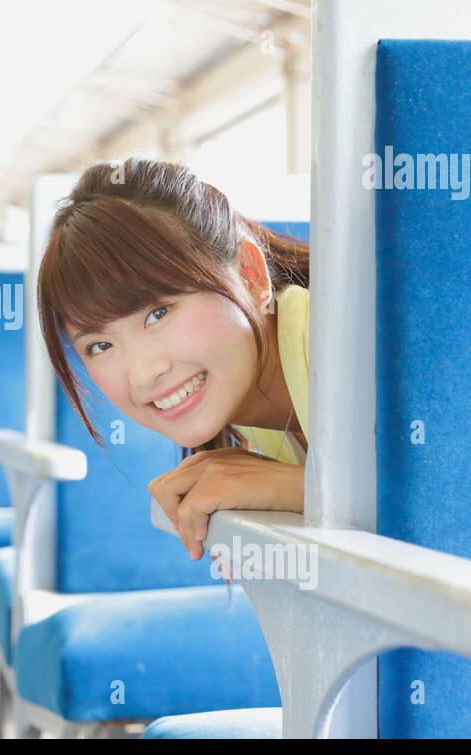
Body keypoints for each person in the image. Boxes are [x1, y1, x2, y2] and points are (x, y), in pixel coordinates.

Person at [36, 158, 309, 562]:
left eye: (158, 313)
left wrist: (301, 490)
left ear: (251, 275)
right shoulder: (263, 393)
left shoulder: (351, 345)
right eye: (100, 345)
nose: (144, 374)